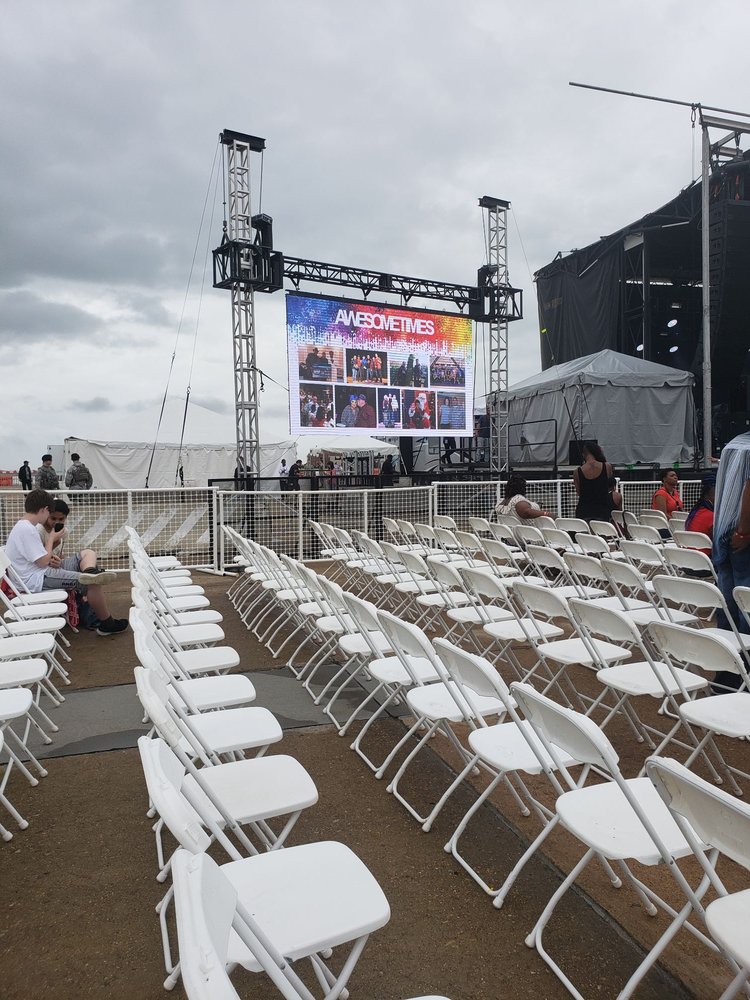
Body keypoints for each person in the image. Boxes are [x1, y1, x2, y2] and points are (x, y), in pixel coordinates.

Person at [4, 490, 128, 635]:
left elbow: (41, 559)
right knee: (92, 583)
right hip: (37, 578)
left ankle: (89, 572)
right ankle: (107, 624)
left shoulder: (22, 526)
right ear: (44, 509)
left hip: (38, 574)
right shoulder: (28, 529)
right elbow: (43, 561)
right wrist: (51, 538)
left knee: (88, 560)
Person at [711, 434, 750, 690]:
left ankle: (726, 675)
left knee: (727, 608)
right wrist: (744, 532)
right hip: (741, 535)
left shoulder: (735, 443)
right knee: (746, 608)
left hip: (723, 530)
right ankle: (745, 675)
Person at [573, 442, 614, 523]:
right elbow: (610, 486)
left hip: (584, 512)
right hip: (602, 511)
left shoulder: (577, 472)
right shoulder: (607, 467)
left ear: (583, 455)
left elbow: (579, 492)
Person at [685, 472, 716, 552]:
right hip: (706, 559)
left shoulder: (695, 511)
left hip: (692, 556)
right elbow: (718, 542)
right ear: (712, 492)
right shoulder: (711, 516)